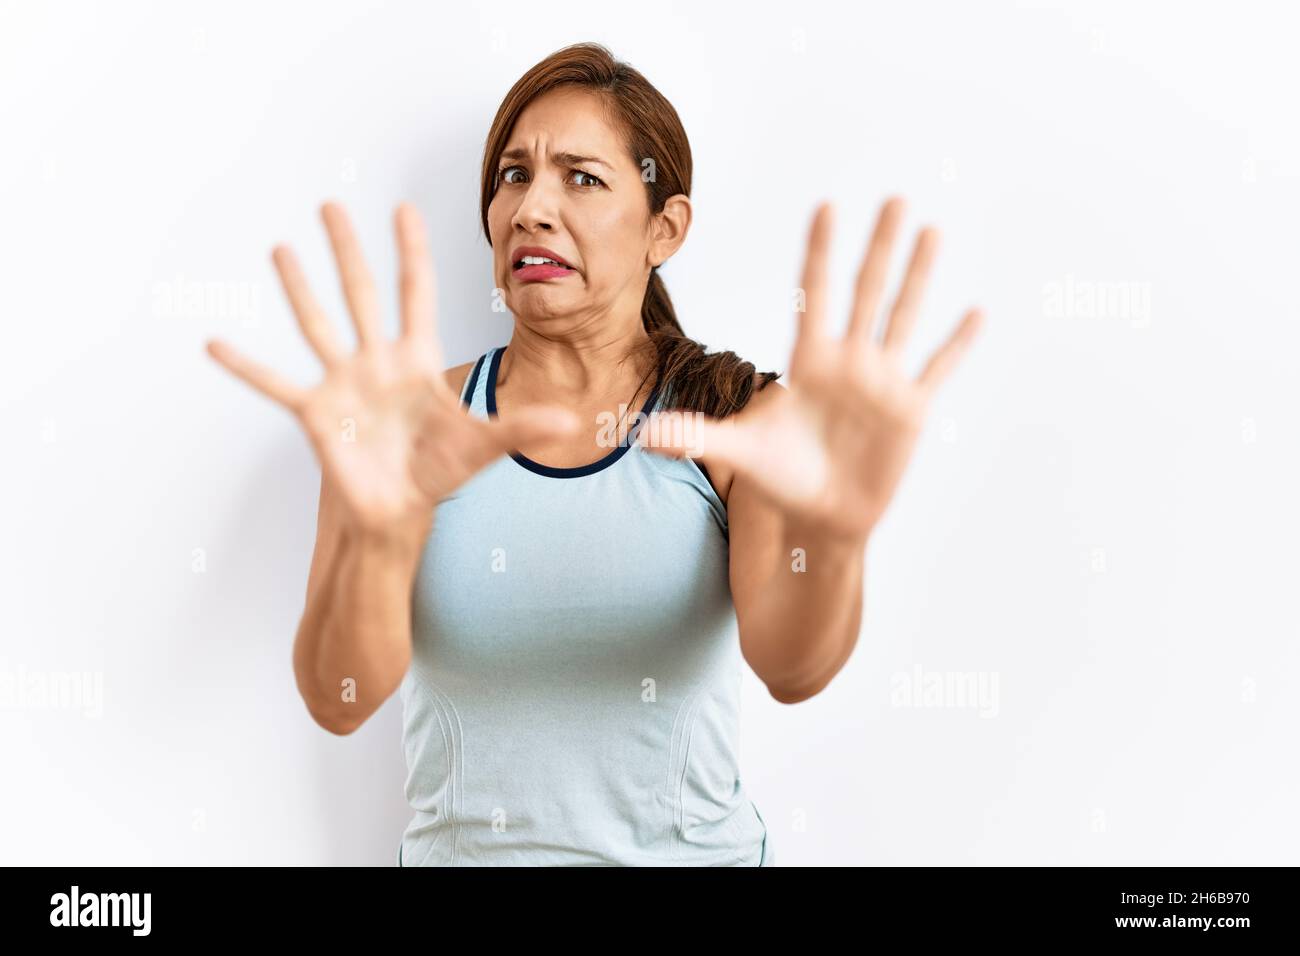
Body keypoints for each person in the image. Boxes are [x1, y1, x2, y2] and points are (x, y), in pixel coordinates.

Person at [205, 42, 984, 866]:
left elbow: (793, 668)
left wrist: (835, 541)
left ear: (664, 229)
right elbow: (339, 700)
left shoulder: (734, 421)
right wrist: (379, 536)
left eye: (582, 178)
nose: (531, 209)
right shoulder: (405, 426)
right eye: (513, 175)